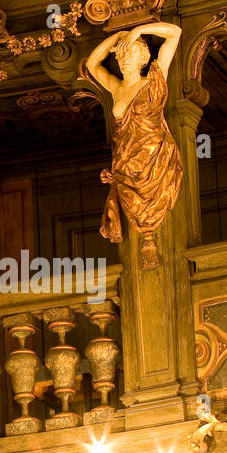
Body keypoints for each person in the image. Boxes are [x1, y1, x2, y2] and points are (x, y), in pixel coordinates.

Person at [86, 22, 182, 270]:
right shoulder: (117, 88)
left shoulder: (154, 78)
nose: (126, 60)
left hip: (154, 159)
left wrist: (139, 32)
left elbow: (175, 33)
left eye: (131, 54)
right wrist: (118, 37)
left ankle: (150, 237)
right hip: (127, 162)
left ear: (143, 58)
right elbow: (91, 64)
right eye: (122, 56)